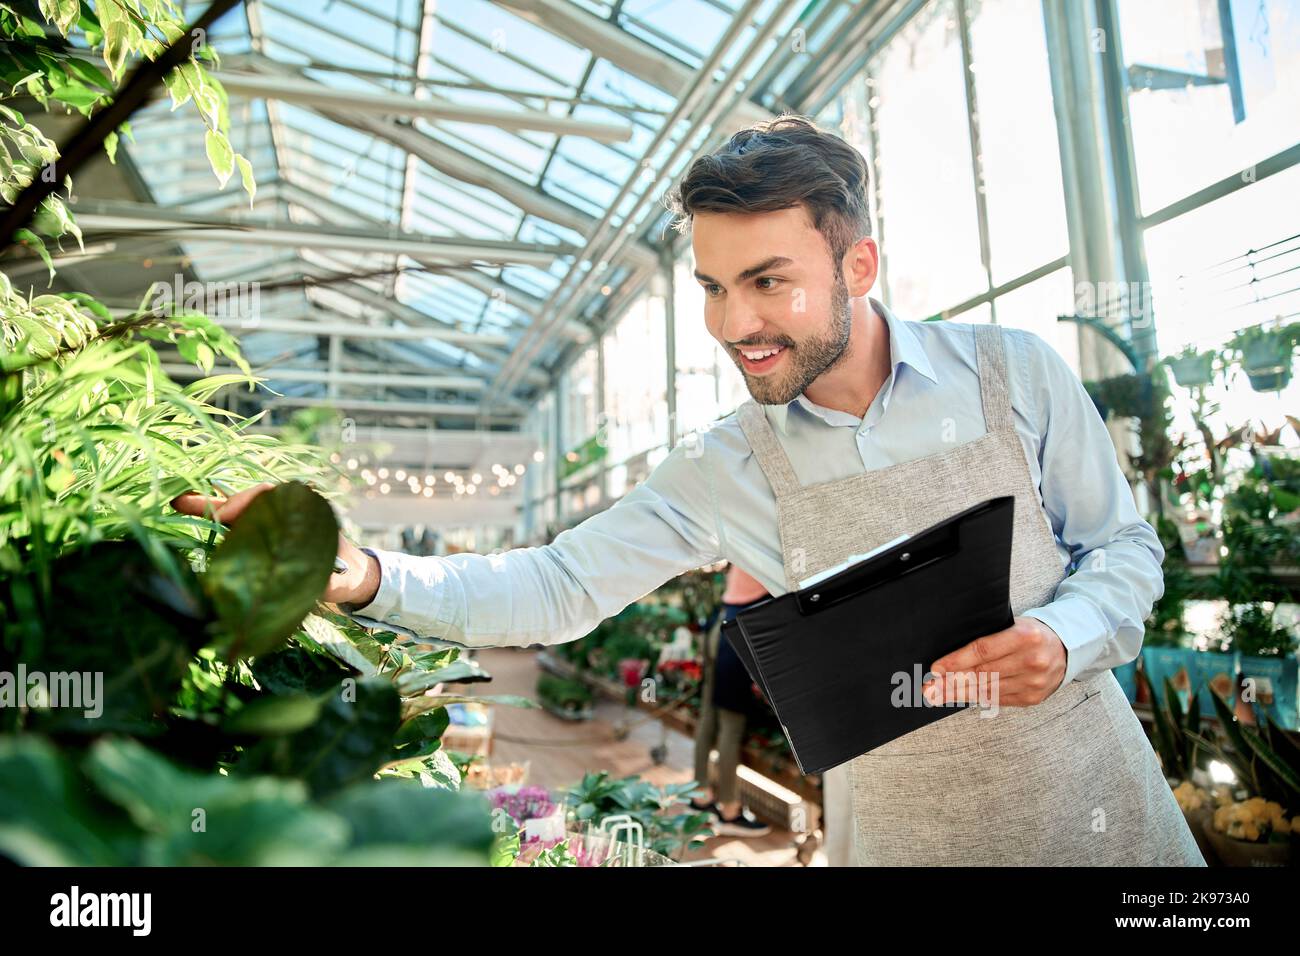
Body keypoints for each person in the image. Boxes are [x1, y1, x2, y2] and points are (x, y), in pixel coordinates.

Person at [174, 115, 1204, 866]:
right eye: (710, 286)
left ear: (858, 264)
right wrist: (361, 573)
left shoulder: (1013, 374)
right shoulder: (730, 463)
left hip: (1102, 825)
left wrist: (1065, 634)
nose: (730, 324)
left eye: (767, 281)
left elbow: (1124, 550)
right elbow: (556, 583)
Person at [690, 563, 772, 837]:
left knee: (709, 716)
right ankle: (729, 809)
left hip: (721, 622)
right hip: (740, 630)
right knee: (730, 725)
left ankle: (700, 795)